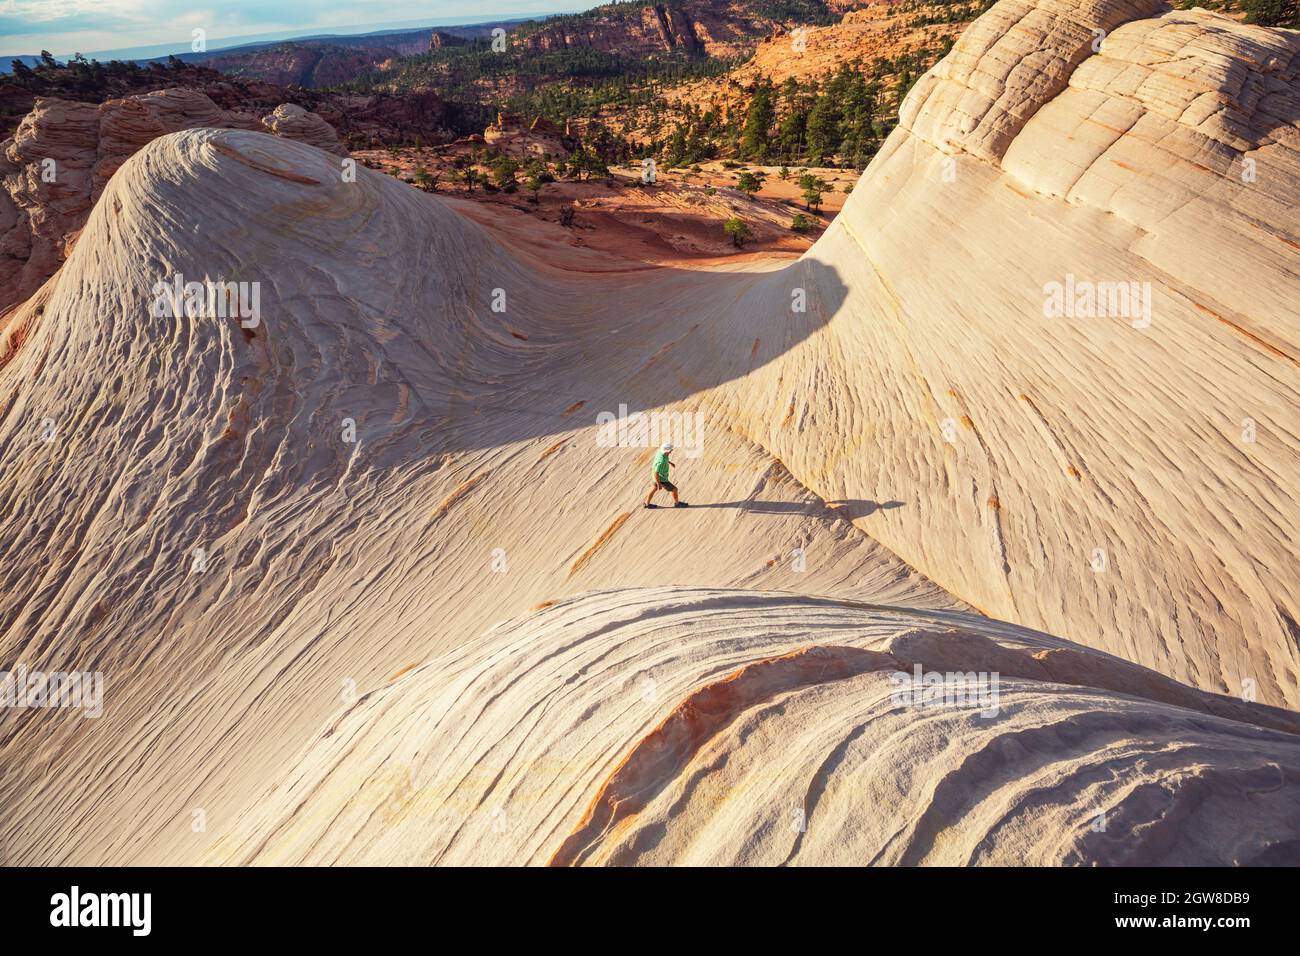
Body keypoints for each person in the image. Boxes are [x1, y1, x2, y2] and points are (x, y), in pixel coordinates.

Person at [645, 442, 688, 508]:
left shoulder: (660, 452)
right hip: (661, 479)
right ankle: (677, 504)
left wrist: (670, 463)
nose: (671, 451)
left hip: (655, 475)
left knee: (653, 489)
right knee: (674, 489)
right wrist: (659, 484)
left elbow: (664, 458)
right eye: (670, 450)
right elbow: (656, 473)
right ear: (666, 451)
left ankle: (646, 504)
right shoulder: (661, 461)